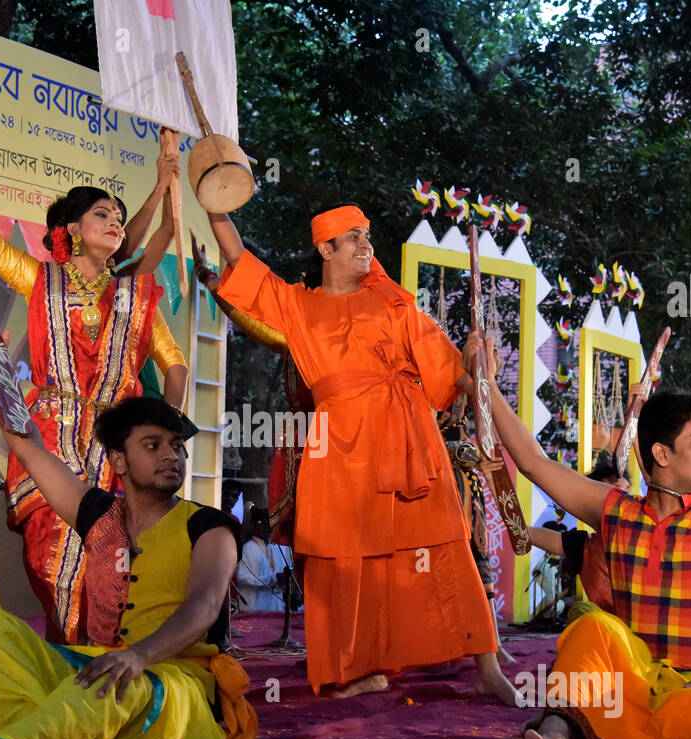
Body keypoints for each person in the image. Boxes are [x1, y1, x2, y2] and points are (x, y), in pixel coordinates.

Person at [0, 346, 262, 739]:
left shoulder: (209, 526)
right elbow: (26, 446)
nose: (172, 456)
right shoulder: (99, 514)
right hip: (105, 668)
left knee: (114, 683)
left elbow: (204, 606)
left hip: (182, 691)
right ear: (119, 462)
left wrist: (139, 656)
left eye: (176, 447)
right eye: (153, 446)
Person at [204, 202, 517, 702]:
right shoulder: (297, 305)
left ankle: (485, 662)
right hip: (340, 444)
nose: (365, 244)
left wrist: (478, 361)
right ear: (325, 249)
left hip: (409, 437)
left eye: (367, 235)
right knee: (341, 556)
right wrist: (214, 202)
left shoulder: (396, 304)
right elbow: (241, 262)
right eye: (352, 237)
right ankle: (351, 669)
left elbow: (453, 374)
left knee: (443, 543)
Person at [0, 107, 189, 646]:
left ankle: (101, 666)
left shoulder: (135, 294)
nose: (114, 222)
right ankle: (71, 658)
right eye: (103, 213)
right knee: (52, 551)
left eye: (119, 217)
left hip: (119, 446)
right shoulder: (41, 280)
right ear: (72, 231)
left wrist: (167, 428)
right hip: (51, 436)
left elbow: (173, 362)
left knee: (117, 553)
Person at [489, 377, 691, 739]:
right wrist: (487, 384)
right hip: (633, 682)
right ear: (662, 454)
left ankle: (599, 731)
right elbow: (534, 464)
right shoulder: (617, 509)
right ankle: (557, 733)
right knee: (591, 626)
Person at [525, 454, 629, 622]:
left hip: (658, 632)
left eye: (627, 491)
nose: (624, 499)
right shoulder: (585, 546)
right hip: (616, 635)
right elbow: (520, 531)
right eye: (616, 491)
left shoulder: (651, 530)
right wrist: (496, 483)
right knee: (582, 613)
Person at [235, 507, 294, 611]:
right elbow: (243, 577)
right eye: (262, 522)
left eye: (270, 523)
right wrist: (273, 579)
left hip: (275, 607)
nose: (267, 527)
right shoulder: (248, 548)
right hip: (253, 609)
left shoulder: (276, 548)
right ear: (254, 525)